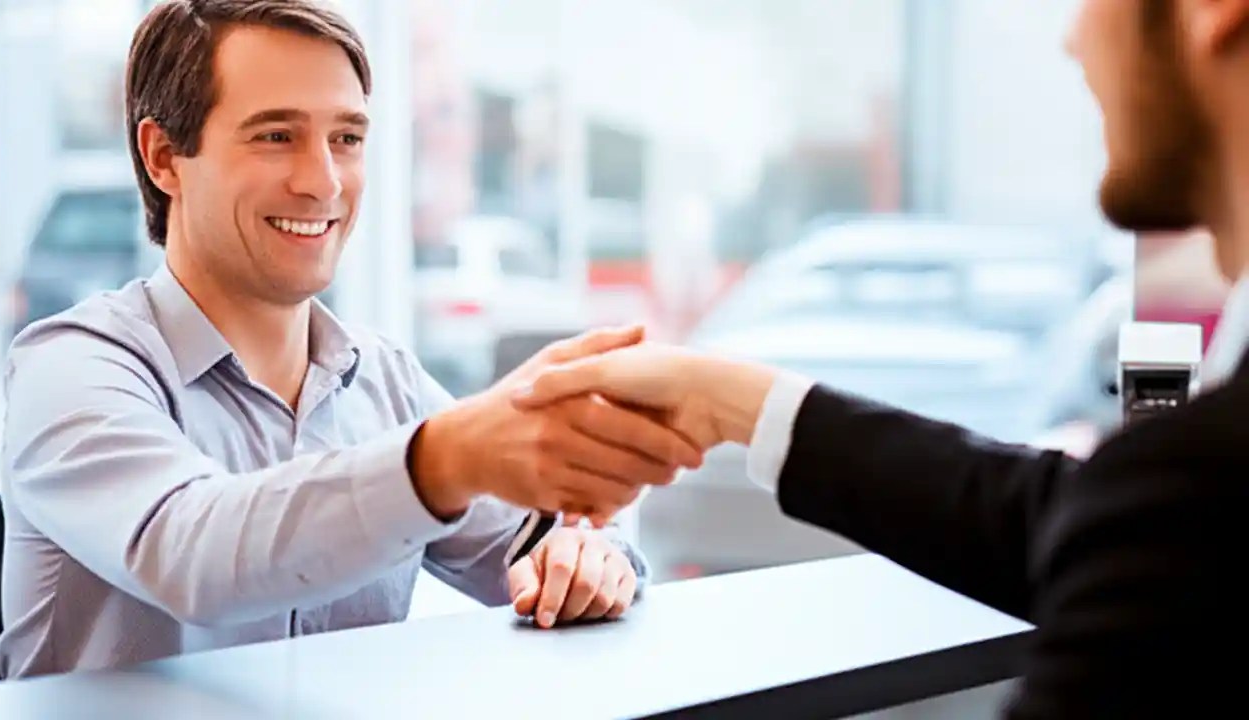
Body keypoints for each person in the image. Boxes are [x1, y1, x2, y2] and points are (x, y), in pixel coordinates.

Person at [514, 0, 1249, 715]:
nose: (1072, 40)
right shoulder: (1181, 492)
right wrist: (735, 403)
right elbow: (1079, 521)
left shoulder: (1194, 484)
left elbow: (1150, 534)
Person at [0, 0, 703, 679]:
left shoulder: (383, 380)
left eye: (347, 138)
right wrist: (446, 457)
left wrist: (587, 553)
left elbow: (534, 538)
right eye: (276, 135)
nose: (324, 181)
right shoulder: (70, 368)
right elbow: (193, 555)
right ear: (163, 157)